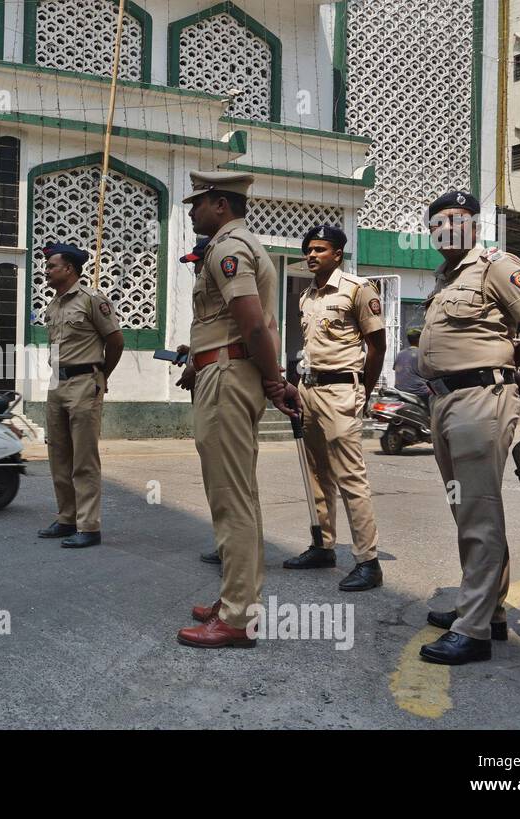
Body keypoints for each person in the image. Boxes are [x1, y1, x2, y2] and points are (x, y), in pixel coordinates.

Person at [416, 190, 520, 665]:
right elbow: (479, 340)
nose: (447, 229)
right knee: (467, 508)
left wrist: (505, 369)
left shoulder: (498, 266)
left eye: (456, 220)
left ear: (474, 225)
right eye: (438, 223)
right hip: (446, 401)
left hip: (479, 401)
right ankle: (489, 609)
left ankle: (473, 630)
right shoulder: (444, 279)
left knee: (477, 509)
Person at [172, 171, 300, 649]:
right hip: (220, 371)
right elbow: (232, 325)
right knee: (239, 496)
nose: (191, 211)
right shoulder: (236, 244)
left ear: (220, 205)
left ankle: (237, 617)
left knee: (230, 499)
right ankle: (238, 600)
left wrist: (275, 382)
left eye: (197, 203)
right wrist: (200, 361)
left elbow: (254, 326)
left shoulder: (228, 248)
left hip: (229, 378)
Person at [281, 224, 388, 592]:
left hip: (342, 391)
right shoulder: (307, 296)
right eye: (309, 249)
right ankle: (323, 545)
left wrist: (363, 393)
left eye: (320, 249)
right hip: (308, 388)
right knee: (316, 473)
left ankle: (368, 561)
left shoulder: (358, 290)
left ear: (337, 254)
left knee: (350, 477)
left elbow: (377, 346)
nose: (311, 255)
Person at [35, 243, 123, 549]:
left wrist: (102, 376)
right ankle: (66, 519)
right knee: (58, 456)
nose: (46, 271)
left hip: (85, 382)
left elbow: (115, 341)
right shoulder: (53, 306)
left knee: (84, 459)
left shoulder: (91, 300)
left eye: (51, 266)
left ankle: (89, 526)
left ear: (69, 268)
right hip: (57, 385)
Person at [393, 326, 429, 405]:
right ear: (420, 339)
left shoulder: (400, 354)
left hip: (399, 391)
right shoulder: (422, 354)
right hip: (419, 392)